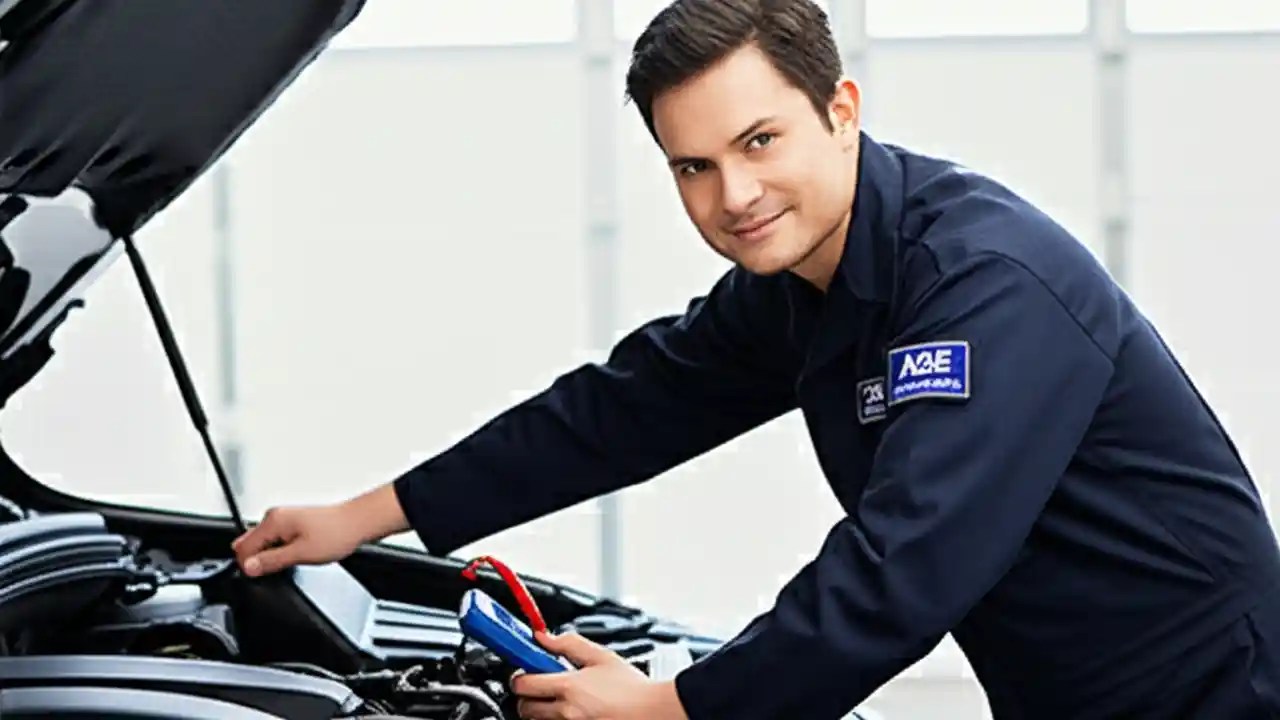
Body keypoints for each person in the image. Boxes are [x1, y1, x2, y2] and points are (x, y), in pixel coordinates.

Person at [232, 1, 1280, 718]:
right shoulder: (797, 285)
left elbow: (900, 568)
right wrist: (360, 520)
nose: (731, 195)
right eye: (692, 166)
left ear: (840, 112)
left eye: (759, 142)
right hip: (1064, 685)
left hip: (1204, 689)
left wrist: (675, 706)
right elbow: (618, 410)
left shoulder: (983, 286)